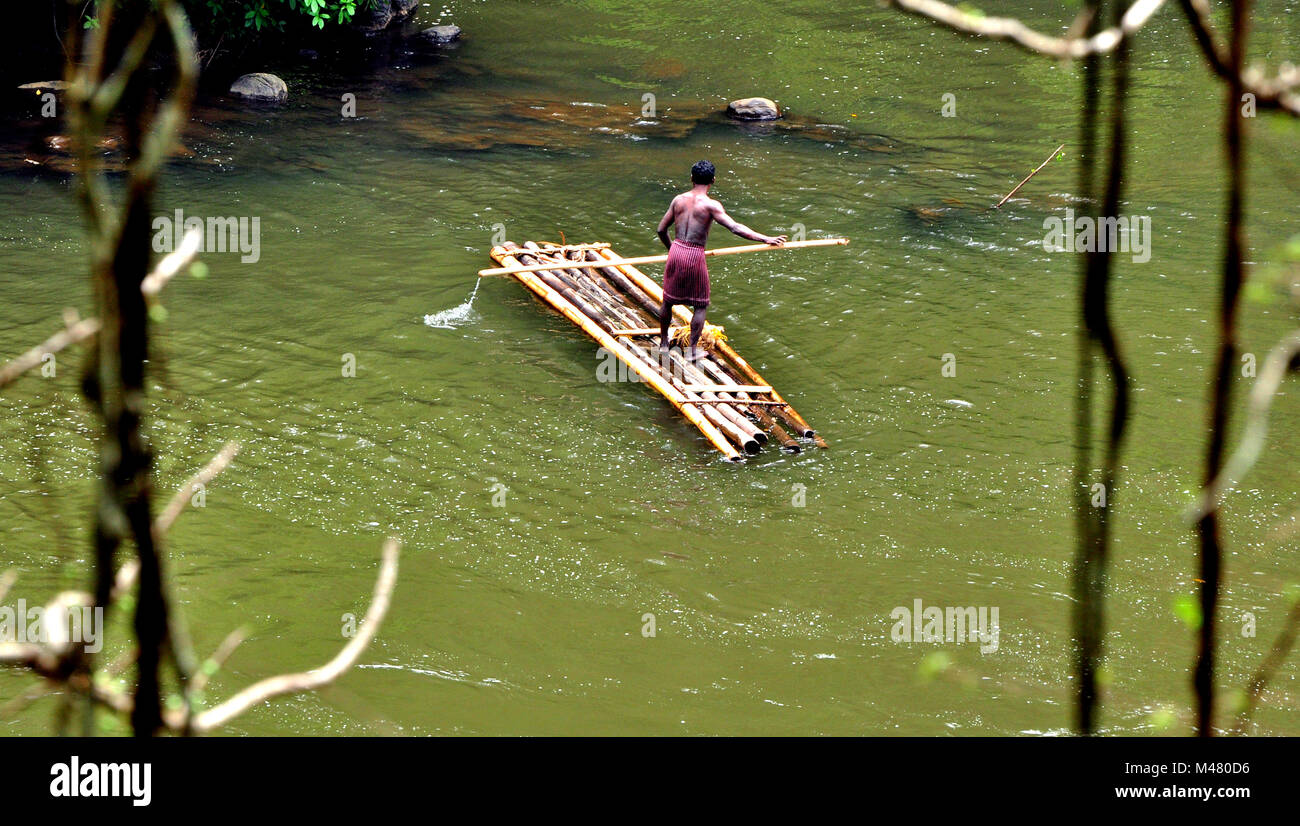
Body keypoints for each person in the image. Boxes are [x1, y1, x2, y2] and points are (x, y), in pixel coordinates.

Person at [656, 160, 786, 359]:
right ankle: (691, 352)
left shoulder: (678, 200)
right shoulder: (711, 205)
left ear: (691, 178)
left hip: (676, 250)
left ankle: (664, 343)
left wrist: (672, 248)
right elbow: (735, 227)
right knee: (700, 305)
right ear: (713, 181)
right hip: (694, 254)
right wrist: (765, 238)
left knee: (668, 301)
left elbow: (661, 229)